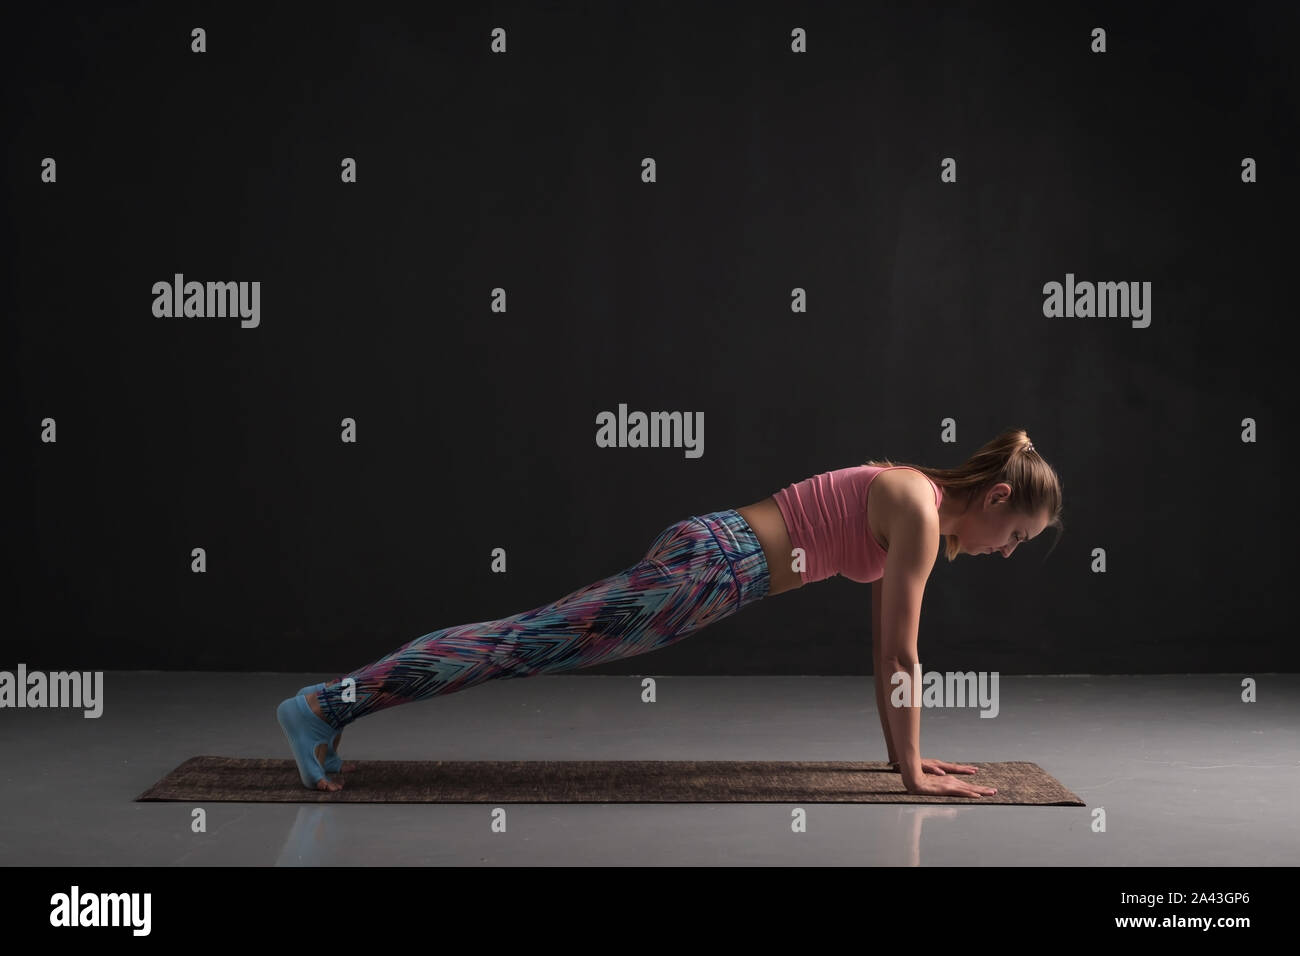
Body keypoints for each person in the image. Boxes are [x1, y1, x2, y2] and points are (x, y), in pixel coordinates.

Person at [278, 426, 1063, 796]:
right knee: (520, 641)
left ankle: (328, 707)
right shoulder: (919, 512)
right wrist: (913, 777)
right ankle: (324, 706)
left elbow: (887, 652)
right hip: (715, 567)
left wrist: (906, 760)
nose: (1008, 550)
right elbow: (900, 657)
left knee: (524, 641)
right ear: (997, 497)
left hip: (715, 561)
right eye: (1017, 533)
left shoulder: (913, 498)